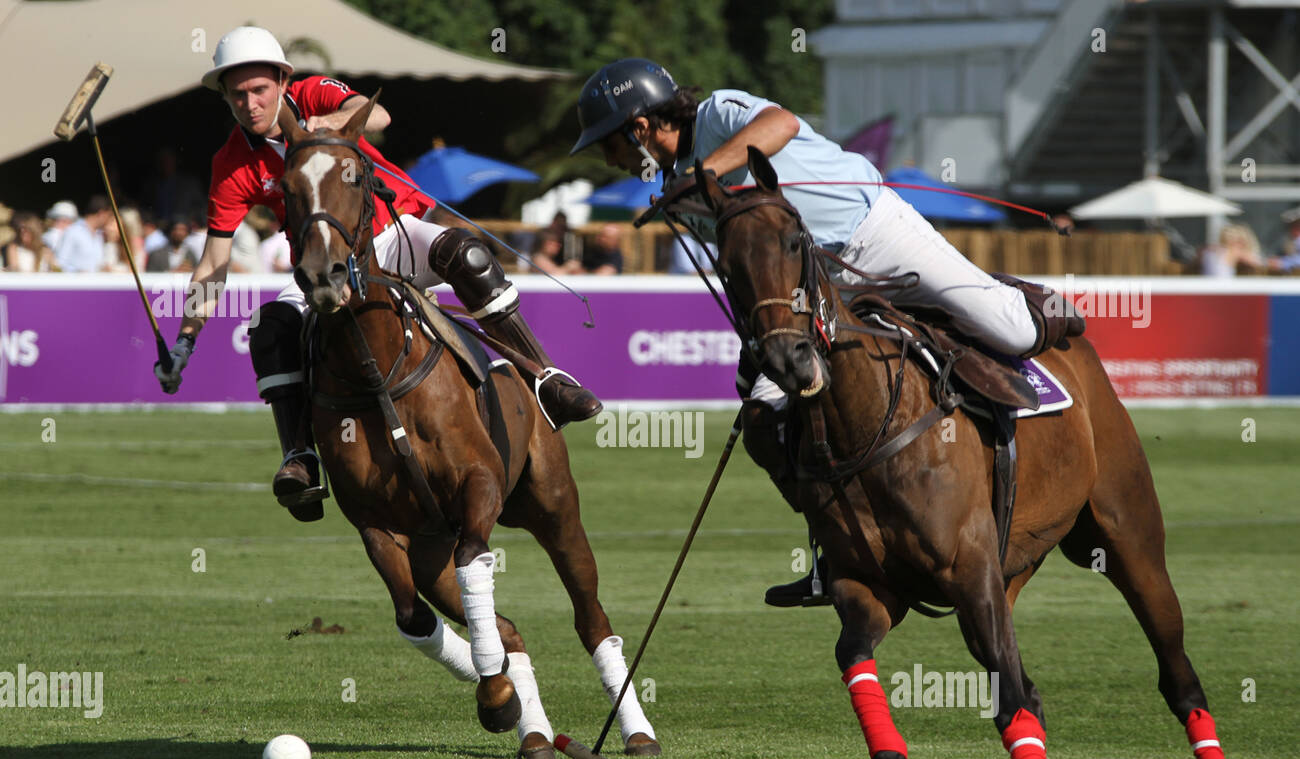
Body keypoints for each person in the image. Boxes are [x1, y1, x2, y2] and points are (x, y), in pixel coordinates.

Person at [570, 58, 1085, 606]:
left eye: (610, 144)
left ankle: (1041, 306)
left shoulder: (718, 114)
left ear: (641, 127)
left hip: (876, 234)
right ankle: (830, 547)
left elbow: (782, 123)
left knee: (1010, 331)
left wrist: (705, 177)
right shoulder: (674, 187)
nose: (610, 159)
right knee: (770, 417)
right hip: (815, 291)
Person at [155, 25, 601, 523]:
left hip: (395, 234)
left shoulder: (313, 92)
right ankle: (300, 456)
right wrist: (185, 340)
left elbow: (380, 115)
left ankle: (547, 380)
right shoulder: (233, 164)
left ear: (282, 81)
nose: (250, 103)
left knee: (468, 256)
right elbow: (214, 261)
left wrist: (331, 119)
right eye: (236, 94)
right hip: (329, 265)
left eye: (259, 89)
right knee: (270, 328)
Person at [55, 196, 113, 273]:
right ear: (101, 214)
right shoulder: (73, 231)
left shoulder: (100, 235)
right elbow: (60, 263)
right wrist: (77, 272)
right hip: (76, 283)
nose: (109, 220)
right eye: (108, 216)